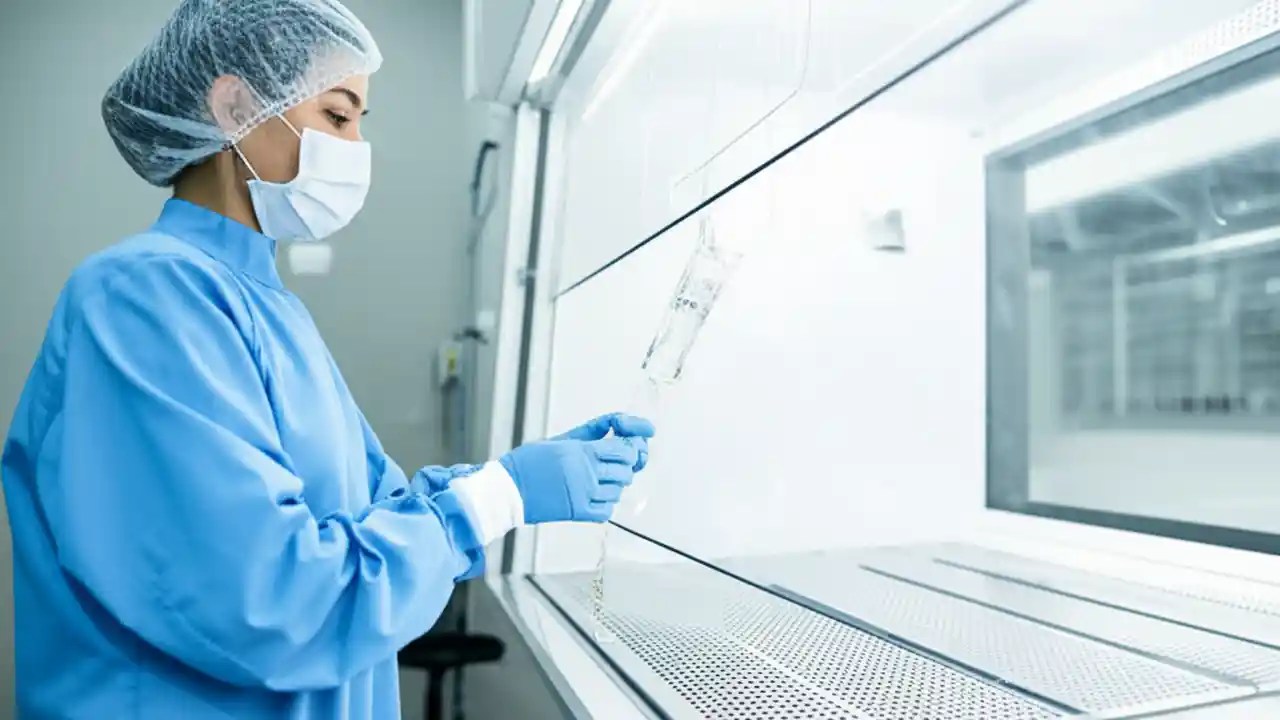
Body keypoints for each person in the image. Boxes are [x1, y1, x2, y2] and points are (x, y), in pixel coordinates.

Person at [0, 1, 654, 718]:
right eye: (338, 117)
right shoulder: (143, 297)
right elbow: (268, 601)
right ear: (235, 105)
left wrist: (515, 480)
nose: (355, 147)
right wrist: (497, 497)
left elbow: (364, 515)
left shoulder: (266, 305)